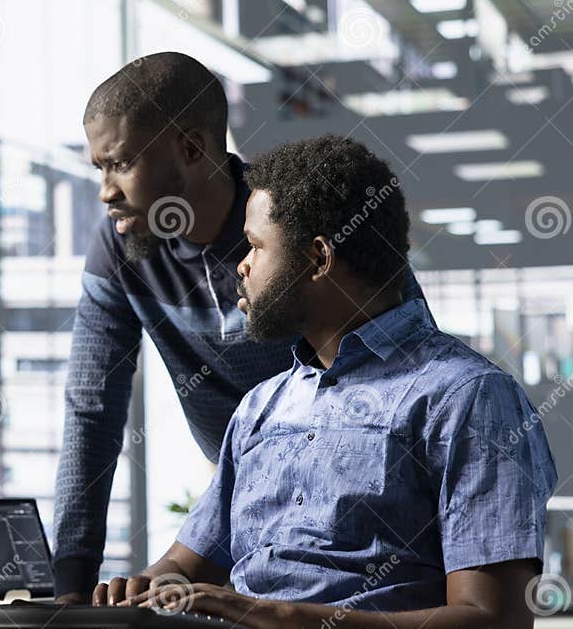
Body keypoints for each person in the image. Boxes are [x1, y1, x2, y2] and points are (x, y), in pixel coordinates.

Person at [92, 135, 557, 627]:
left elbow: (496, 619)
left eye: (255, 246)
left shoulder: (468, 399)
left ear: (318, 258)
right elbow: (183, 566)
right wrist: (141, 590)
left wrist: (275, 615)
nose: (240, 266)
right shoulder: (261, 407)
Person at [53, 52, 431, 603]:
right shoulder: (121, 245)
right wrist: (71, 584)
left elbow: (412, 364)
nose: (106, 190)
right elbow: (92, 408)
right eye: (99, 168)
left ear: (191, 148)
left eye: (122, 163)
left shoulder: (296, 215)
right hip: (237, 497)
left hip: (350, 498)